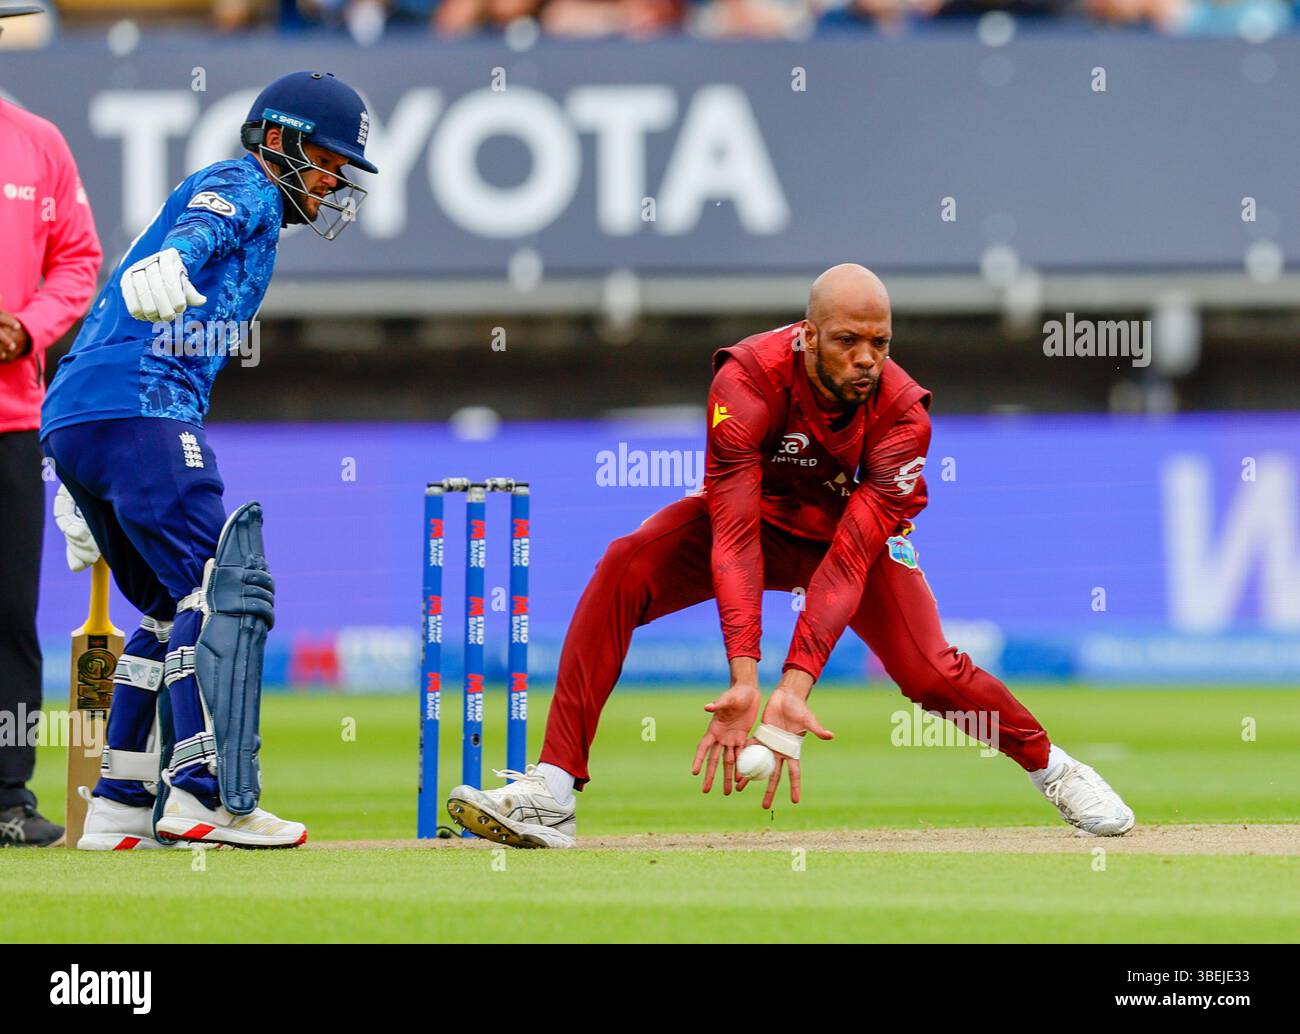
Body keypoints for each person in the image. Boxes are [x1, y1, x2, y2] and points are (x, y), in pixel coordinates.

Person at [446, 264, 1135, 848]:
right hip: (760, 527)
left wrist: (793, 688)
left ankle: (1055, 769)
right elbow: (735, 536)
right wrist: (745, 678)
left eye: (880, 343)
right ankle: (554, 787)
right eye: (847, 341)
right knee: (624, 565)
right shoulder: (746, 381)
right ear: (807, 336)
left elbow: (850, 558)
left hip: (848, 541)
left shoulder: (904, 415)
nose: (866, 358)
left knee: (930, 671)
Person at [41, 70, 379, 850]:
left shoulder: (236, 188)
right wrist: (181, 258)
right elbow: (207, 224)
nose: (332, 185)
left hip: (81, 413)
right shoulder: (246, 182)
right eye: (327, 161)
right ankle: (205, 797)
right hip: (143, 406)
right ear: (281, 140)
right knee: (221, 594)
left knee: (166, 611)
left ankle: (121, 802)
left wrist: (83, 460)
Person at [0, 2, 104, 848]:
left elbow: (79, 258)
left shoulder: (38, 143)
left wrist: (27, 327)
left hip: (9, 418)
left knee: (8, 610)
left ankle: (4, 798)